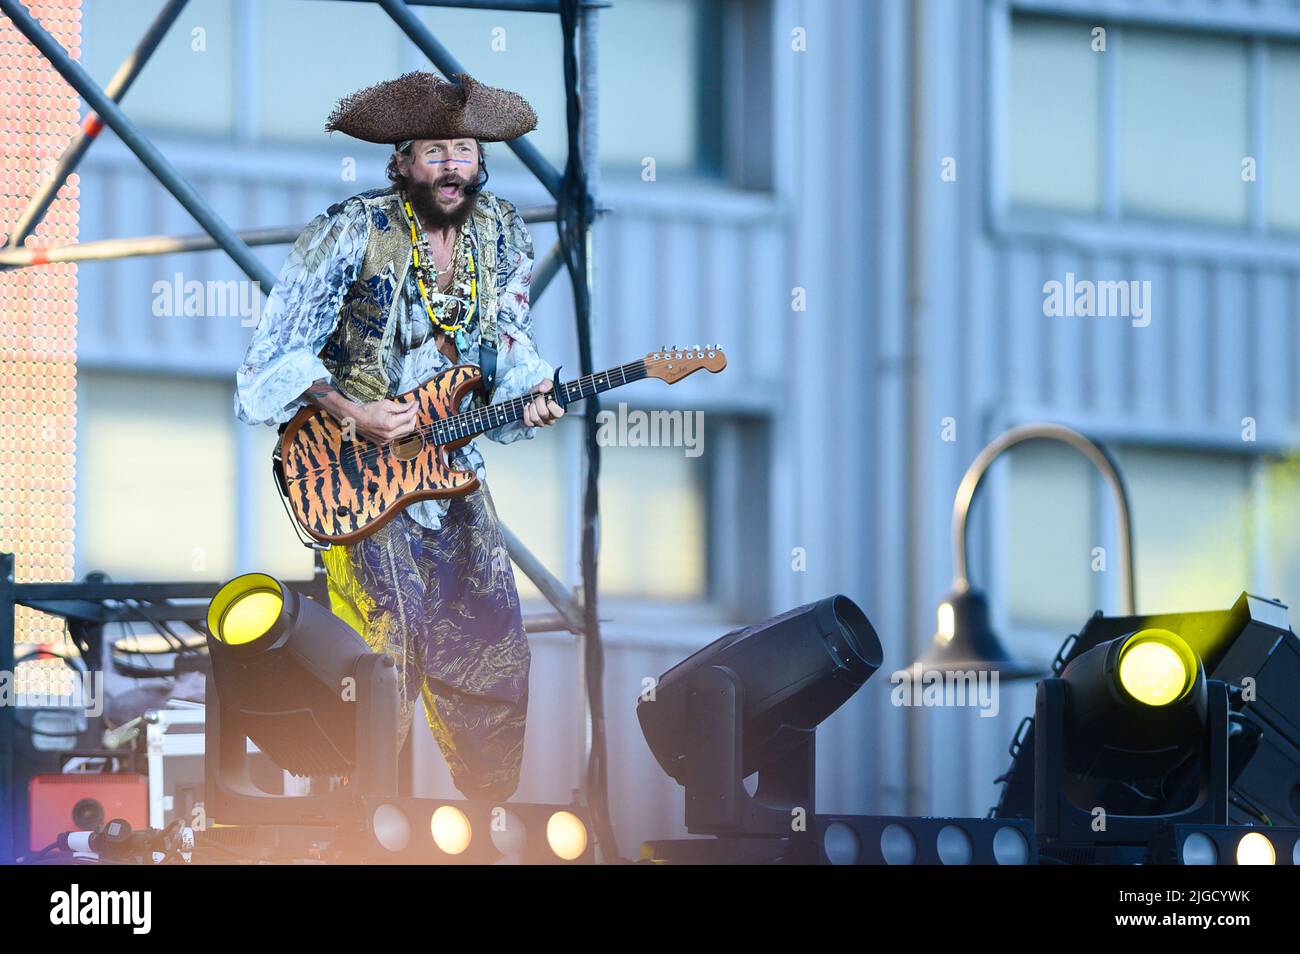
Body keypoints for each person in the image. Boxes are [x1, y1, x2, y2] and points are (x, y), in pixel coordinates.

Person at [234, 72, 563, 801]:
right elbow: (271, 357)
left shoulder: (503, 232)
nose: (453, 165)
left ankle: (485, 825)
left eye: (465, 150)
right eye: (436, 151)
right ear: (404, 160)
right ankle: (361, 822)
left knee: (495, 647)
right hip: (356, 477)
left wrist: (532, 392)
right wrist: (353, 410)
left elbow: (510, 342)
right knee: (384, 656)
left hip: (450, 468)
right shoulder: (351, 227)